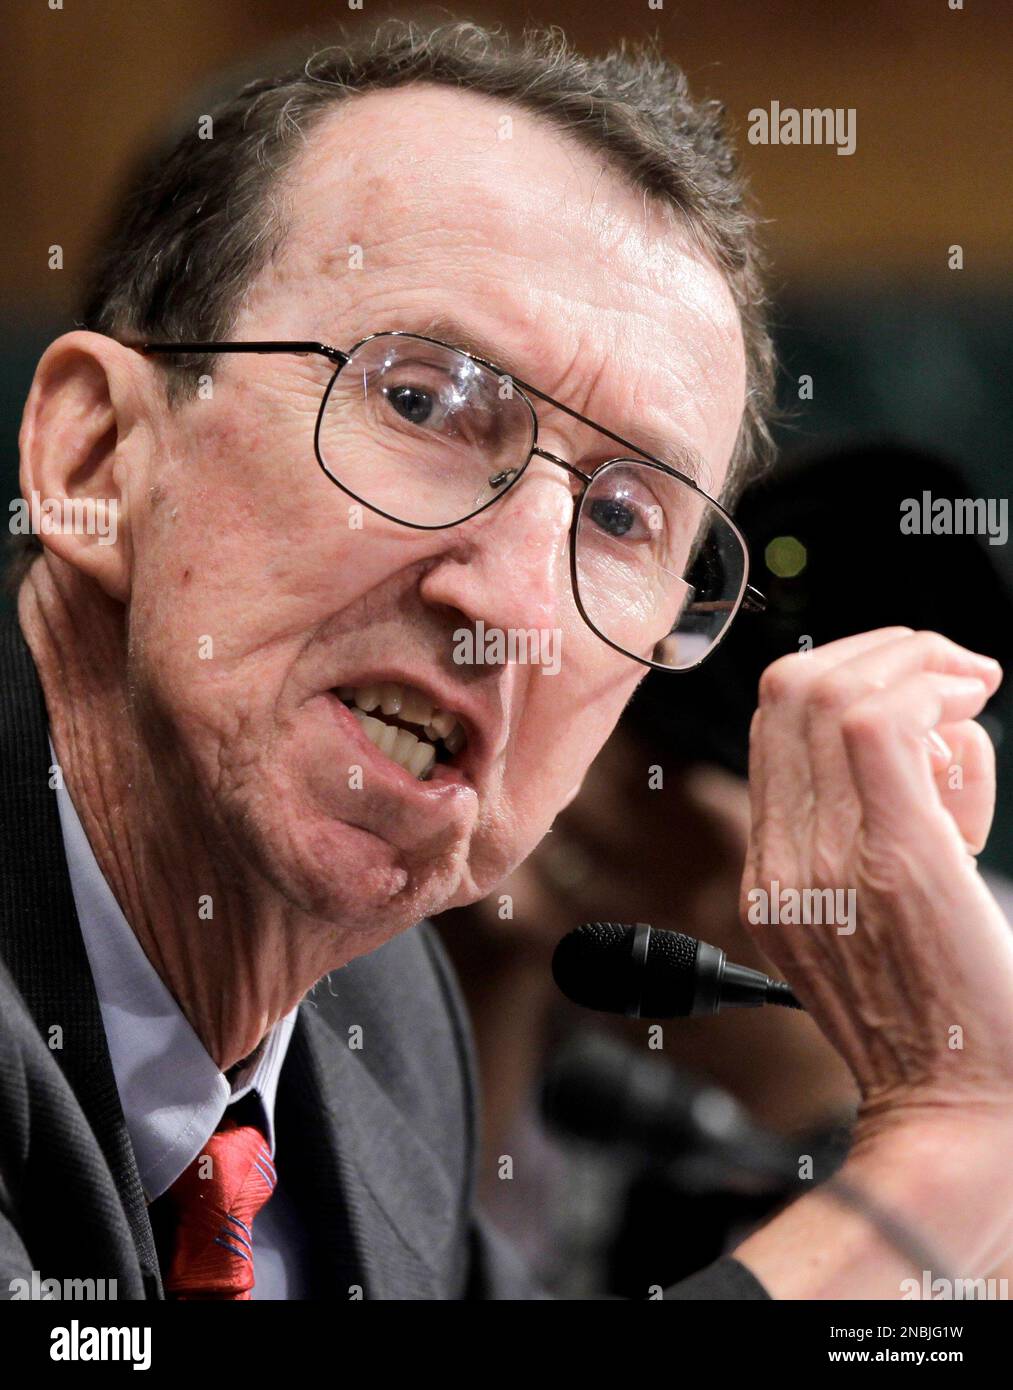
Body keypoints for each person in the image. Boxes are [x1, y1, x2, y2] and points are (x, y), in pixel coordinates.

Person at [2, 21, 1011, 1302]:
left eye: (622, 516)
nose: (523, 609)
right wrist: (941, 1161)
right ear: (94, 461)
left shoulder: (384, 1019)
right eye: (419, 402)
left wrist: (850, 1078)